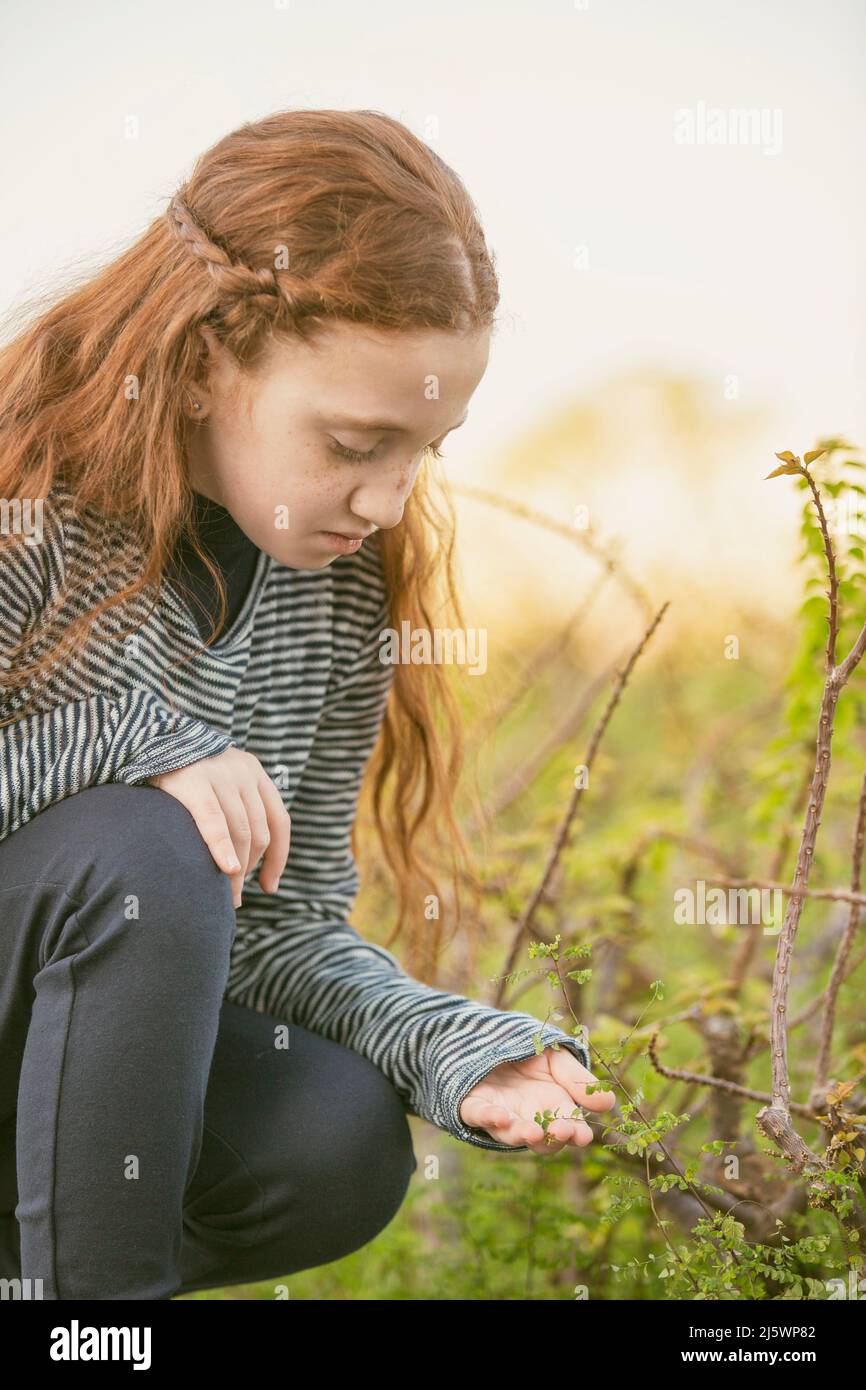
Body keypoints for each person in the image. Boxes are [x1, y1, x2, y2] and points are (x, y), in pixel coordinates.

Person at [0, 108, 615, 1301]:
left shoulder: (333, 596)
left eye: (424, 451)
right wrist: (140, 746)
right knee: (142, 842)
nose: (386, 500)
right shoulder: (22, 496)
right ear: (197, 363)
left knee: (330, 1135)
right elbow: (142, 850)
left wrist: (445, 1045)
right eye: (352, 441)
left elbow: (274, 929)